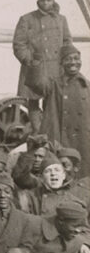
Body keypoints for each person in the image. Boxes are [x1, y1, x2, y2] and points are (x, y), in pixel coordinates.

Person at [12, 0, 72, 131]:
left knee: (52, 100)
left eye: (48, 0)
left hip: (56, 67)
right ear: (37, 1)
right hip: (35, 67)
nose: (45, 3)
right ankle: (38, 132)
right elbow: (18, 44)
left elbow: (67, 41)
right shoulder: (27, 19)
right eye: (42, 0)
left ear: (53, 1)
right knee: (33, 101)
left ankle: (51, 131)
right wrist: (30, 60)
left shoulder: (61, 19)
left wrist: (66, 60)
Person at [29, 43, 88, 179]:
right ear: (61, 63)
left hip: (83, 143)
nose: (73, 62)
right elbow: (36, 84)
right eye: (68, 59)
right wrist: (37, 59)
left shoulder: (87, 86)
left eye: (76, 58)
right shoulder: (53, 84)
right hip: (59, 141)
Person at [17, 152, 89, 219]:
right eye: (48, 171)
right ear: (42, 177)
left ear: (63, 175)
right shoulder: (29, 197)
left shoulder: (73, 201)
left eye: (57, 170)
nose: (53, 174)